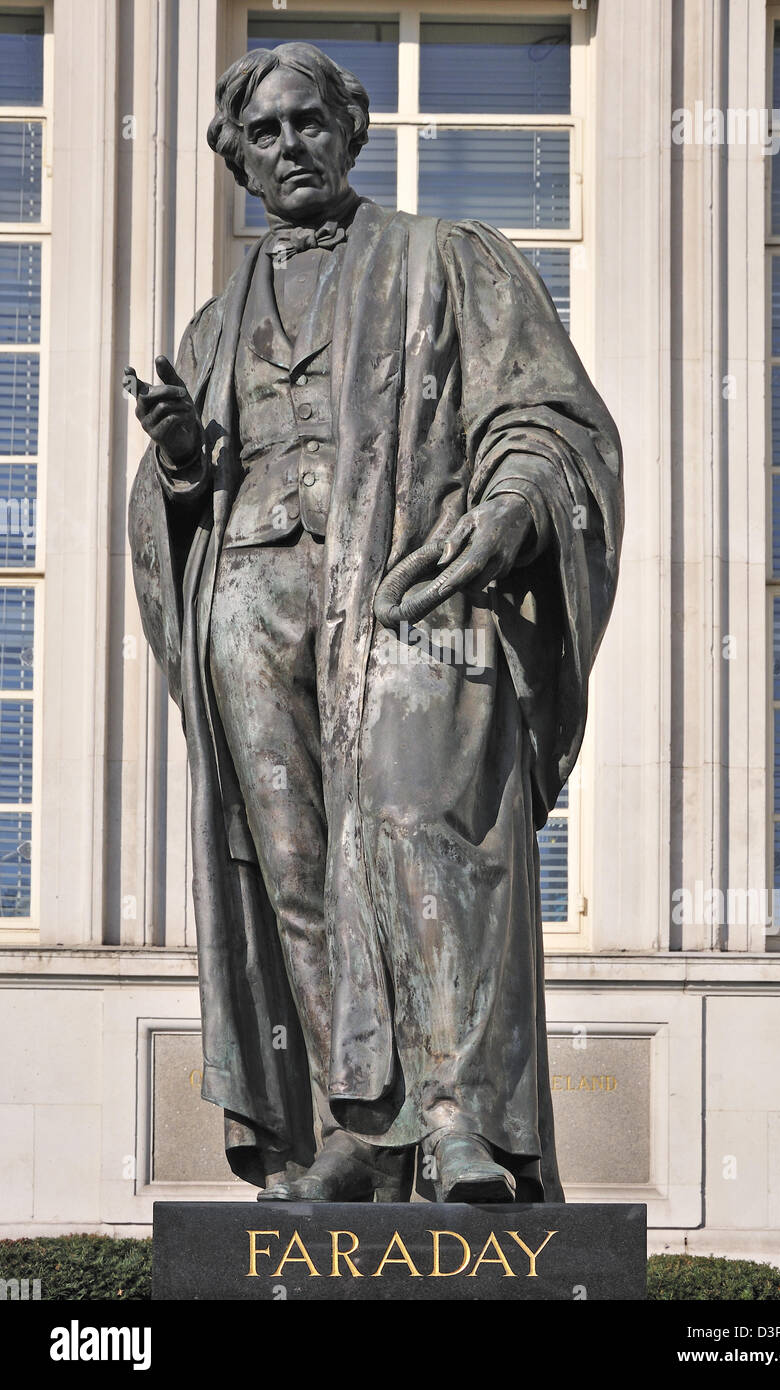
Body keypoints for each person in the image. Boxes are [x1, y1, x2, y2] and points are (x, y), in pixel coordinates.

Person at [128, 41, 623, 1204]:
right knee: (293, 862)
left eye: (310, 122)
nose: (289, 144)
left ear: (351, 133)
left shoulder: (448, 262)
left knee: (419, 825)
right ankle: (361, 1123)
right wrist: (185, 465)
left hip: (411, 590)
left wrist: (508, 514)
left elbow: (549, 417)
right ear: (237, 160)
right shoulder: (212, 327)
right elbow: (170, 511)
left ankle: (461, 1122)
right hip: (251, 601)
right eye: (265, 132)